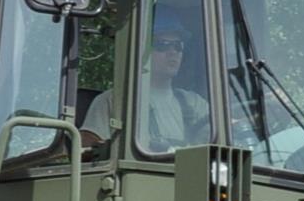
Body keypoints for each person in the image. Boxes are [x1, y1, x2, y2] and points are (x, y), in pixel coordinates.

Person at [84, 22, 211, 154]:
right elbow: (88, 148)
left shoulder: (195, 103)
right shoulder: (116, 100)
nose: (172, 52)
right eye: (162, 45)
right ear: (142, 51)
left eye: (178, 46)